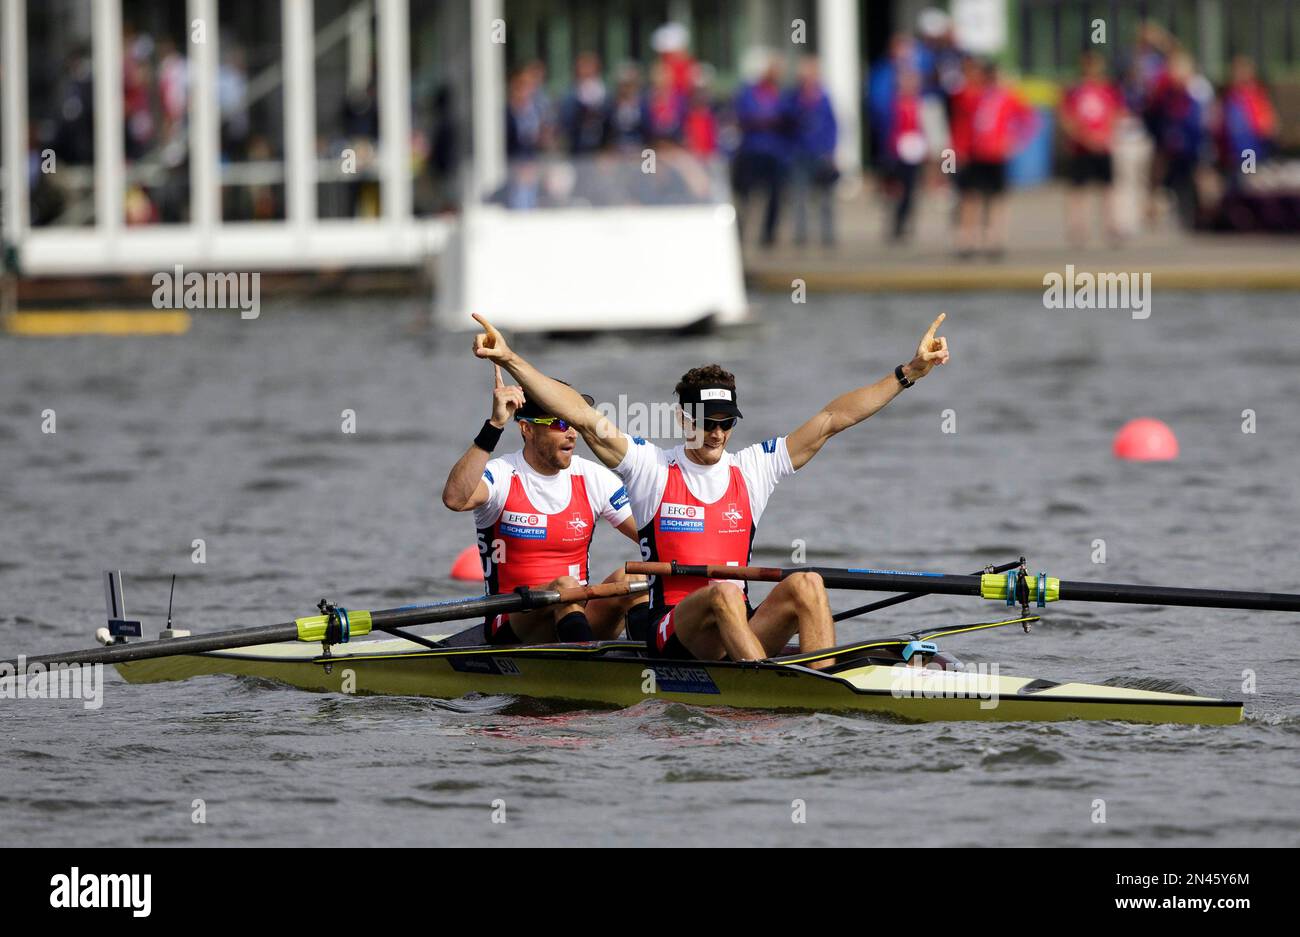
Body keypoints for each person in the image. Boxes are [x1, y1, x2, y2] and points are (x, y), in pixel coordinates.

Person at [470, 312, 951, 668]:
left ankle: (821, 685)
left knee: (808, 583)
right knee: (722, 593)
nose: (717, 434)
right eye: (706, 423)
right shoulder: (650, 467)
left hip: (736, 624)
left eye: (725, 423)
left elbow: (832, 419)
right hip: (673, 631)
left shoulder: (752, 469)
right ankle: (765, 685)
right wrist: (510, 357)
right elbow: (582, 416)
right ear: (683, 420)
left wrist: (908, 373)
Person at [441, 368, 647, 645]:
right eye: (560, 423)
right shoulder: (502, 474)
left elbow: (652, 537)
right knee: (566, 587)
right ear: (527, 428)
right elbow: (455, 499)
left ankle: (658, 662)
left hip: (577, 612)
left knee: (635, 576)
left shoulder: (592, 477)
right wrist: (494, 425)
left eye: (574, 422)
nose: (572, 433)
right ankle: (588, 671)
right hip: (513, 622)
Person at [953, 60, 1037, 257]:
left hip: (995, 155)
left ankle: (994, 239)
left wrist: (1015, 141)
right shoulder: (970, 95)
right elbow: (961, 123)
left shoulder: (1006, 96)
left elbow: (1028, 118)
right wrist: (958, 151)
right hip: (973, 154)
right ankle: (967, 240)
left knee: (996, 198)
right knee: (969, 198)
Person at [1060, 50, 1127, 246]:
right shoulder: (1074, 90)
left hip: (1103, 145)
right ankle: (1078, 227)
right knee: (1077, 189)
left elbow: (1116, 114)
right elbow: (1066, 117)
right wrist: (1084, 137)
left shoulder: (1108, 89)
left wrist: (1105, 136)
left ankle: (1111, 225)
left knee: (1108, 187)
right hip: (1081, 146)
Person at [732, 50, 790, 247]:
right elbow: (747, 117)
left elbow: (788, 117)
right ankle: (739, 233)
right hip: (752, 151)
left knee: (775, 195)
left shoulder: (780, 93)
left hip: (775, 152)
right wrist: (770, 119)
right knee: (746, 197)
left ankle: (768, 234)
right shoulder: (748, 92)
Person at [783, 56, 839, 247]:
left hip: (821, 154)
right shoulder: (793, 97)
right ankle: (801, 235)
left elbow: (832, 126)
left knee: (825, 199)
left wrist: (831, 151)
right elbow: (787, 120)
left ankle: (828, 236)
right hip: (799, 154)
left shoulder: (824, 98)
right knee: (799, 197)